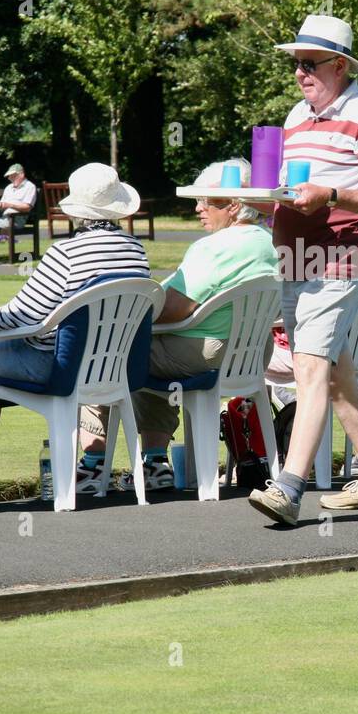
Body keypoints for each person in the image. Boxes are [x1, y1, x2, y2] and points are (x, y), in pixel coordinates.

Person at [0, 164, 148, 505]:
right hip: (113, 369)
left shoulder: (67, 252)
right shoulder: (135, 250)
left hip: (58, 367)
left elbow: (24, 313)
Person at [246, 14, 358, 526]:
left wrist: (332, 194)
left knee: (311, 366)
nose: (299, 73)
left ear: (339, 65)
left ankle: (288, 488)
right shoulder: (296, 115)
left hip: (338, 257)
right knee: (334, 373)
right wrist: (258, 199)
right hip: (294, 254)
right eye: (296, 64)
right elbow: (290, 190)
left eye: (309, 63)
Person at [74, 158, 278, 492]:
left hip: (203, 351)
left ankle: (91, 468)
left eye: (205, 201)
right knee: (146, 358)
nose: (198, 208)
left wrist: (126, 324)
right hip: (251, 356)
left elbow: (174, 309)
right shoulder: (271, 241)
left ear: (233, 205)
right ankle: (155, 464)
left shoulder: (215, 246)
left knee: (104, 355)